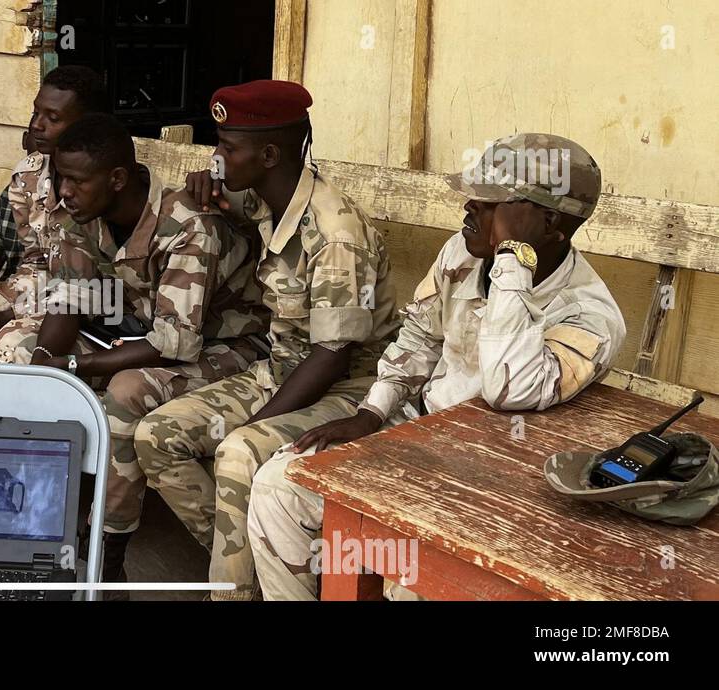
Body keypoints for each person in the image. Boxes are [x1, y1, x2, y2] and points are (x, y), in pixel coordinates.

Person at [247, 133, 627, 600]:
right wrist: (373, 413)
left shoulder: (590, 316)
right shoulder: (461, 253)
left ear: (545, 222)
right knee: (277, 485)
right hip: (420, 431)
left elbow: (510, 391)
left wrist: (513, 257)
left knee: (406, 580)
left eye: (489, 202)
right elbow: (420, 338)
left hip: (496, 472)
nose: (469, 207)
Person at [133, 80, 399, 600]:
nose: (218, 157)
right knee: (156, 436)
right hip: (279, 370)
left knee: (240, 451)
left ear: (270, 154)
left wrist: (262, 423)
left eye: (228, 148)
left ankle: (231, 591)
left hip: (345, 390)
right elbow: (212, 182)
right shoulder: (262, 194)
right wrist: (201, 179)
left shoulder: (336, 232)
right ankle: (249, 569)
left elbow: (333, 354)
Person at [0, 113, 268, 590]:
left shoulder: (188, 224)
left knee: (126, 391)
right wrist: (42, 371)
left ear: (117, 179)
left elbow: (174, 343)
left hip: (227, 347)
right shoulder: (81, 212)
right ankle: (33, 514)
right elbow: (68, 301)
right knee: (17, 351)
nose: (64, 192)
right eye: (61, 179)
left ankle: (106, 551)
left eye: (77, 181)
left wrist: (78, 365)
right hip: (139, 332)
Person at [0, 66, 106, 357]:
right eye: (35, 112)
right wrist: (0, 306)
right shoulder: (28, 174)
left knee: (9, 348)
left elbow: (88, 287)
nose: (37, 125)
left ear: (86, 125)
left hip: (90, 309)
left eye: (52, 118)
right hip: (39, 291)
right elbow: (37, 263)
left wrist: (7, 313)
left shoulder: (100, 189)